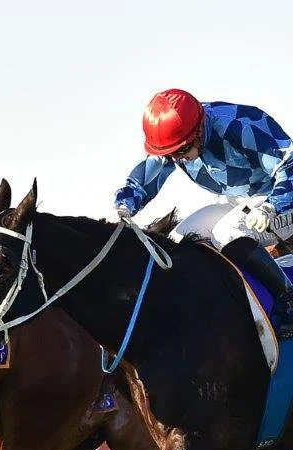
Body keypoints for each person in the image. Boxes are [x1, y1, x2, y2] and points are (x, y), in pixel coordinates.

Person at [114, 89, 293, 337]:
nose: (179, 159)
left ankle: (289, 300)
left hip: (281, 198)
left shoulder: (238, 126)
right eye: (171, 154)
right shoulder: (177, 140)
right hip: (241, 200)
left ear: (198, 129)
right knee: (178, 238)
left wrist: (271, 205)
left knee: (228, 231)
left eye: (182, 150)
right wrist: (125, 204)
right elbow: (147, 175)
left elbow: (289, 165)